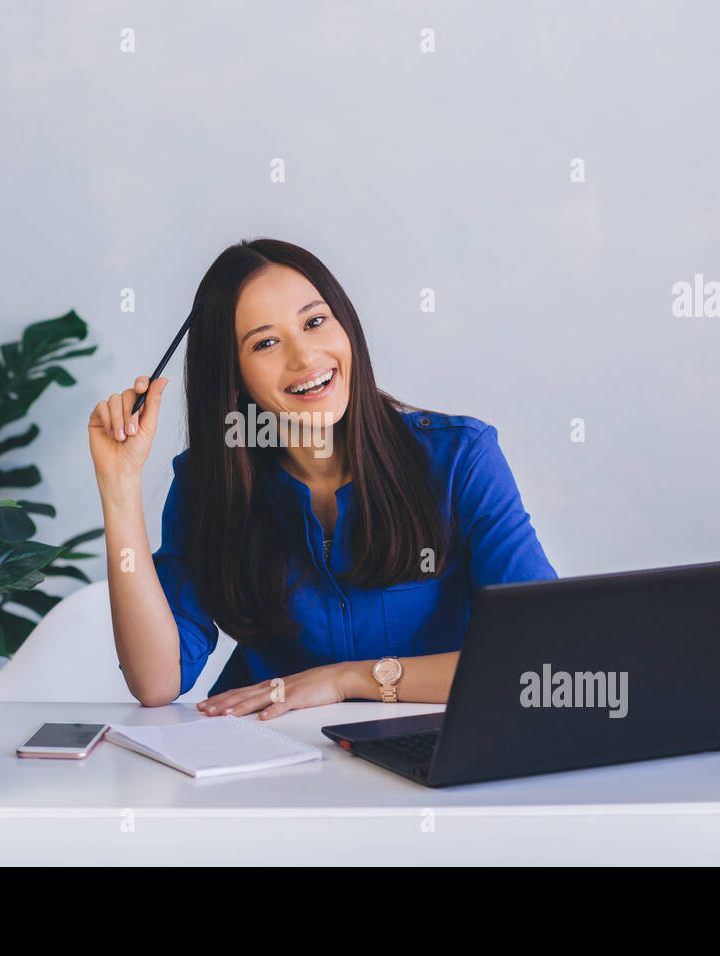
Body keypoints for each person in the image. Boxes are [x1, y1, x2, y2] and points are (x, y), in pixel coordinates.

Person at [88, 238, 556, 720]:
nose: (305, 356)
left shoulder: (461, 459)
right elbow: (157, 682)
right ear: (233, 375)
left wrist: (346, 679)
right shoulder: (206, 486)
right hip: (271, 753)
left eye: (314, 322)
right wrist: (119, 486)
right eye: (265, 343)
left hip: (428, 750)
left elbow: (541, 653)